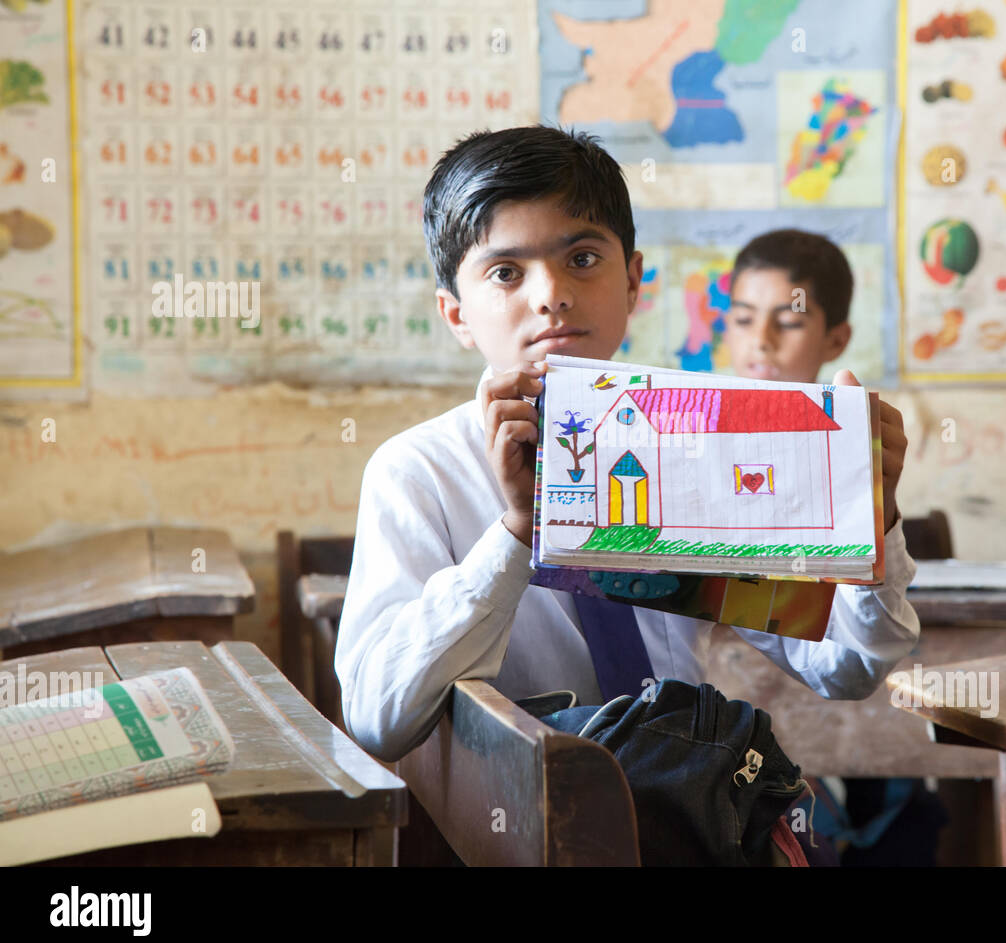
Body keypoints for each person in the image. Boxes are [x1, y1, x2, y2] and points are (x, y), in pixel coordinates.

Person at [335, 126, 920, 767]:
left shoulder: (698, 446)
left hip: (687, 818)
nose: (550, 294)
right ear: (456, 315)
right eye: (505, 272)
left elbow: (846, 668)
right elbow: (378, 718)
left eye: (582, 259)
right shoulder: (419, 474)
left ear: (634, 280)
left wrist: (872, 521)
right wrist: (517, 534)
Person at [723, 228, 944, 865]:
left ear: (836, 340)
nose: (759, 340)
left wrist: (879, 515)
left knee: (891, 810)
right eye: (742, 318)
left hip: (798, 725)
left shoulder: (849, 455)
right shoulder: (687, 442)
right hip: (705, 747)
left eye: (787, 321)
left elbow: (843, 665)